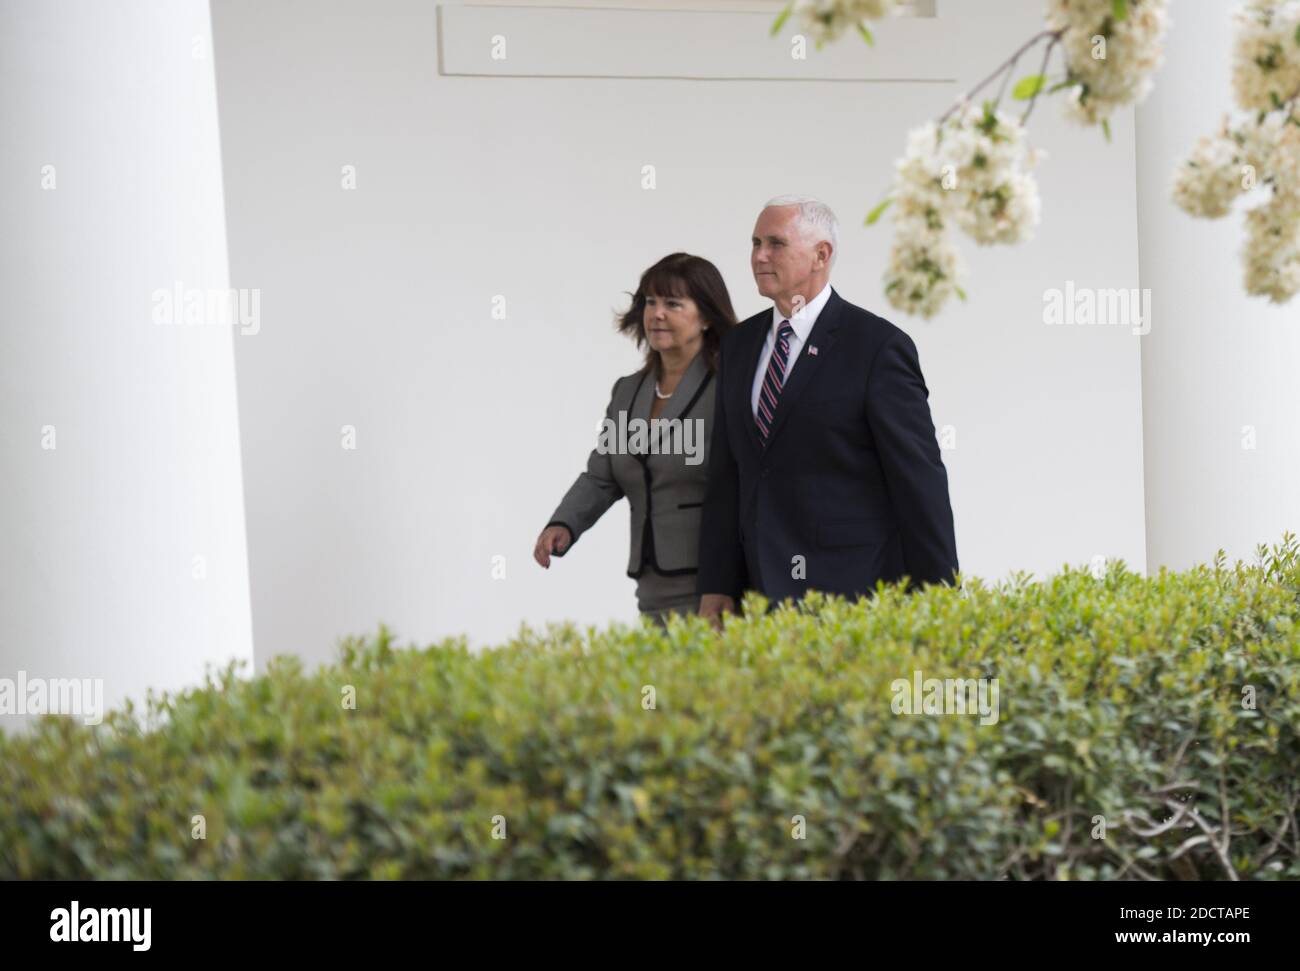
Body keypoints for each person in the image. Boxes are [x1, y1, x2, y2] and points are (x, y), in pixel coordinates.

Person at [697, 195, 959, 625]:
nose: (759, 256)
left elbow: (920, 482)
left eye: (775, 244)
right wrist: (717, 583)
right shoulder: (738, 346)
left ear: (822, 255)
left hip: (851, 597)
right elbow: (728, 475)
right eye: (755, 242)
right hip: (758, 600)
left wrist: (941, 600)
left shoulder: (877, 348)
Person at [535, 253, 738, 627]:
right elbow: (603, 475)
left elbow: (743, 490)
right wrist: (564, 524)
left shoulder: (730, 389)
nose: (657, 314)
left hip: (714, 588)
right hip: (650, 584)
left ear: (707, 317)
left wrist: (724, 581)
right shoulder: (628, 392)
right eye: (650, 302)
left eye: (673, 304)